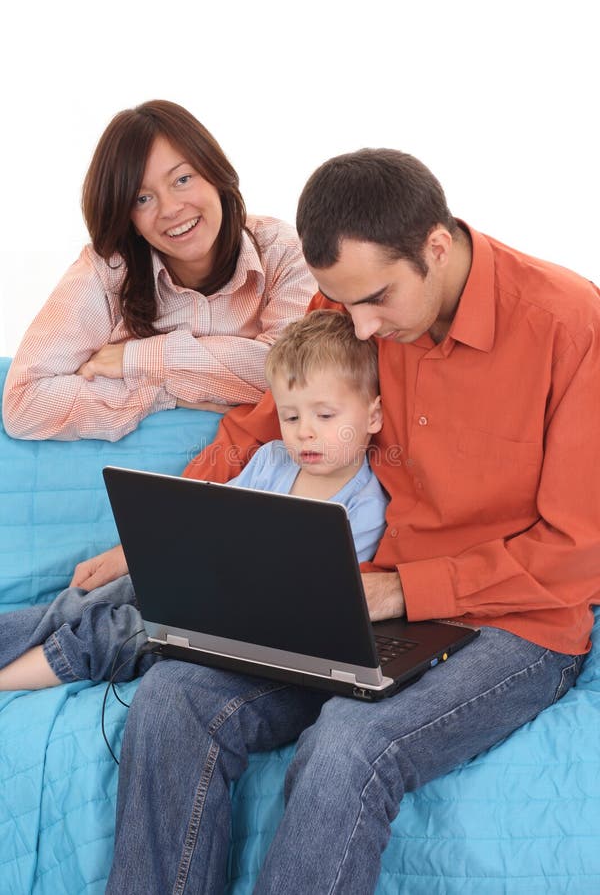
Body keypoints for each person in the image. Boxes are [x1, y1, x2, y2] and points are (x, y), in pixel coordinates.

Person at [98, 148, 598, 894]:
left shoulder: (571, 325)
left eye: (377, 301)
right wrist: (157, 534)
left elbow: (577, 552)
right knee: (171, 701)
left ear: (435, 246)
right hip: (353, 603)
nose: (358, 329)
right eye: (341, 302)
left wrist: (404, 589)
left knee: (348, 745)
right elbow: (260, 426)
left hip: (516, 622)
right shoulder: (349, 302)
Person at [0, 310, 387, 690]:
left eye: (325, 415)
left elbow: (324, 597)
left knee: (115, 631)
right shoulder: (272, 459)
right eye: (290, 418)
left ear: (373, 416)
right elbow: (220, 518)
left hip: (245, 627)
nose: (305, 433)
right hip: (212, 584)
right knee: (90, 600)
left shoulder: (364, 504)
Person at [1, 100, 315, 441]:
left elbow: (299, 376)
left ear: (214, 174)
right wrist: (164, 396)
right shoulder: (106, 272)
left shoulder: (281, 251)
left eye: (182, 179)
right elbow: (24, 403)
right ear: (129, 218)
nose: (170, 209)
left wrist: (140, 358)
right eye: (142, 198)